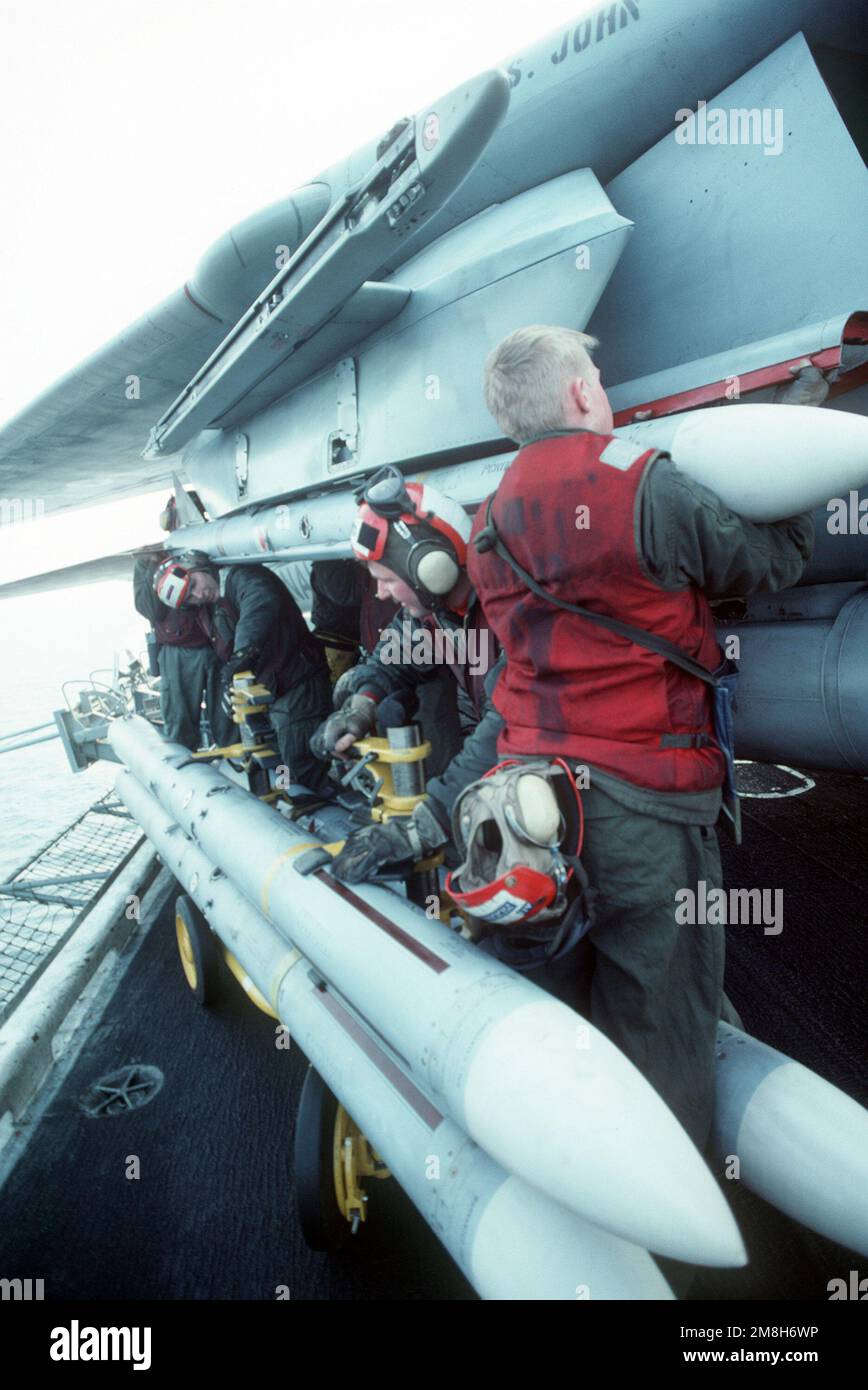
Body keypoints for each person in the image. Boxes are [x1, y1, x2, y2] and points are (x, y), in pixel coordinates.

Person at [330, 325, 817, 1153]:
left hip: (540, 817)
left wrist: (424, 822)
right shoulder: (643, 485)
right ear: (582, 394)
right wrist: (799, 468)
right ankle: (671, 1257)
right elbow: (770, 564)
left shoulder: (487, 530)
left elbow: (513, 698)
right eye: (596, 376)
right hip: (651, 817)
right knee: (667, 1039)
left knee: (561, 1008)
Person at [310, 469, 498, 784]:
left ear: (432, 572)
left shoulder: (508, 613)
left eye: (386, 580)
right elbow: (391, 663)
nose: (381, 593)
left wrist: (442, 806)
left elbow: (507, 726)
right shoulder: (435, 616)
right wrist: (361, 706)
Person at [153, 552, 333, 796]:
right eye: (190, 598)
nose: (198, 595)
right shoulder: (211, 607)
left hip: (298, 687)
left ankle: (319, 813)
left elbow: (259, 604)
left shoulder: (244, 578)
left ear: (197, 566)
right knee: (277, 764)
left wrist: (242, 655)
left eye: (193, 585)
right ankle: (291, 809)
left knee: (300, 766)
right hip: (272, 694)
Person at [133, 498, 231, 750]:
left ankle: (236, 761)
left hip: (218, 645)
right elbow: (149, 609)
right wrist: (150, 566)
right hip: (180, 652)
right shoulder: (155, 559)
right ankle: (185, 765)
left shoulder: (208, 547)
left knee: (228, 715)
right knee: (180, 720)